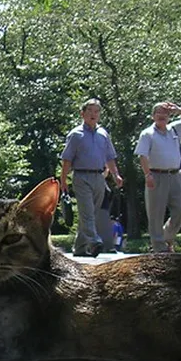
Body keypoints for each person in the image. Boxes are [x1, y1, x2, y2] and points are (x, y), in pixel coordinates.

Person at [59, 98, 124, 256]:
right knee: (87, 212)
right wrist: (63, 181)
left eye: (97, 111)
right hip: (81, 176)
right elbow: (67, 159)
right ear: (82, 114)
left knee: (91, 214)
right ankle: (95, 241)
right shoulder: (75, 135)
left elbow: (110, 157)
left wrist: (115, 174)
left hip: (99, 177)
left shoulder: (103, 134)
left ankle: (80, 248)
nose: (93, 114)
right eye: (90, 111)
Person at [134, 100, 181, 253]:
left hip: (175, 175)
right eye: (158, 113)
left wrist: (178, 109)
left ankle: (166, 236)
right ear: (153, 116)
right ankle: (159, 248)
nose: (162, 116)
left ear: (169, 116)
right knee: (156, 214)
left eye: (165, 113)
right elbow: (142, 155)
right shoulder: (147, 134)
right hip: (156, 175)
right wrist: (147, 174)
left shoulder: (174, 129)